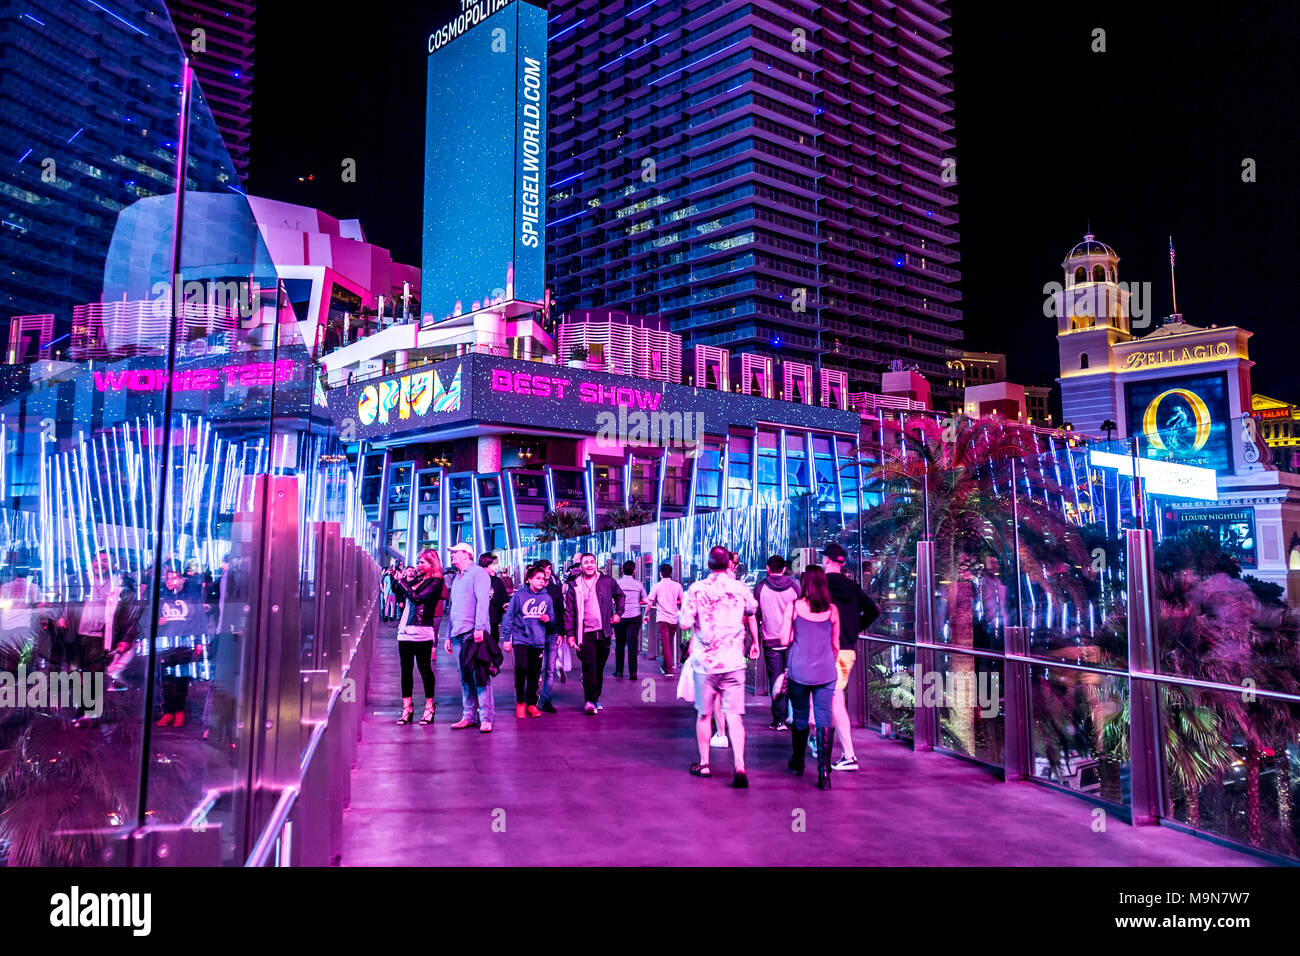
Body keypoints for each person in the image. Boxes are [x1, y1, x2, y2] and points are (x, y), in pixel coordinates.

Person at [679, 546, 759, 787]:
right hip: (734, 661)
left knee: (704, 715)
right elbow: (753, 609)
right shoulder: (740, 588)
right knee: (735, 715)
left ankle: (704, 764)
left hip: (706, 662)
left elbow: (684, 623)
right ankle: (740, 765)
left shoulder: (697, 589)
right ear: (729, 565)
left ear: (708, 564)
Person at [820, 542, 880, 772]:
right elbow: (873, 611)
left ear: (826, 560)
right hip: (847, 649)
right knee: (832, 697)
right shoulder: (853, 588)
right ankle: (823, 743)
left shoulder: (821, 586)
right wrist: (854, 628)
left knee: (832, 699)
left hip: (826, 649)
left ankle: (849, 754)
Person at [779, 565, 840, 789]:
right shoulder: (832, 610)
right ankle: (824, 773)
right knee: (824, 717)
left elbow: (784, 639)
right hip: (825, 671)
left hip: (799, 670)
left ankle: (798, 760)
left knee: (801, 715)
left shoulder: (794, 607)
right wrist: (827, 663)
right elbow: (835, 645)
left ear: (804, 584)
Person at [442, 542, 498, 732]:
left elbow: (483, 601)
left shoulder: (478, 573)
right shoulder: (457, 578)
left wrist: (480, 628)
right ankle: (469, 716)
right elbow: (453, 609)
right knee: (465, 677)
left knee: (480, 675)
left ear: (466, 555)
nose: (452, 555)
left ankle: (486, 718)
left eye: (455, 553)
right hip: (458, 634)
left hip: (472, 633)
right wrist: (448, 635)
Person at [562, 552, 624, 715]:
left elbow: (620, 596)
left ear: (595, 564)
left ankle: (595, 697)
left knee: (599, 667)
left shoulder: (607, 581)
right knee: (589, 666)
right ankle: (589, 700)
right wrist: (570, 634)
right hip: (585, 634)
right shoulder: (574, 585)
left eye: (592, 562)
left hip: (603, 632)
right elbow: (569, 612)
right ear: (580, 566)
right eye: (586, 563)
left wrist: (618, 613)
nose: (589, 565)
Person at [389, 548, 444, 725]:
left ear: (431, 563)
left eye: (422, 562)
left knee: (425, 669)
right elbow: (403, 594)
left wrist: (403, 581)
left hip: (421, 630)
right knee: (406, 671)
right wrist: (399, 580)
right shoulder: (420, 579)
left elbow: (417, 598)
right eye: (419, 562)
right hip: (405, 630)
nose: (419, 565)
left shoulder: (436, 582)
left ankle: (429, 706)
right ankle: (407, 708)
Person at [754, 554, 800, 731]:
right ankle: (792, 716)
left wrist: (755, 640)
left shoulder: (760, 589)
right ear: (783, 570)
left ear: (767, 569)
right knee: (793, 679)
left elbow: (755, 616)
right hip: (791, 640)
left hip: (770, 640)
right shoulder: (794, 588)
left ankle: (779, 720)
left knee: (776, 679)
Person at [501, 563, 553, 718]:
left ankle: (531, 703)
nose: (541, 581)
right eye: (537, 578)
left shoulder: (547, 597)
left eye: (543, 579)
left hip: (538, 640)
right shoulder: (519, 596)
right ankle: (520, 702)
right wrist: (507, 638)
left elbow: (553, 617)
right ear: (529, 579)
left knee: (534, 673)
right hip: (521, 640)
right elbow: (508, 617)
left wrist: (548, 618)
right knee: (521, 669)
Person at [536, 559, 565, 712]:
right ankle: (531, 698)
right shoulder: (531, 588)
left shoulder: (555, 589)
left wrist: (562, 633)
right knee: (533, 668)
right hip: (533, 635)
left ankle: (546, 700)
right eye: (544, 568)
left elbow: (561, 612)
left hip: (552, 634)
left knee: (550, 669)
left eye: (549, 568)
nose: (547, 571)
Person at [645, 563, 682, 678]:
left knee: (665, 644)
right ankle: (666, 666)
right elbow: (682, 601)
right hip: (674, 618)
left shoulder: (657, 586)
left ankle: (669, 670)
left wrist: (646, 615)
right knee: (669, 643)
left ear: (660, 574)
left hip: (662, 618)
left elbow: (650, 602)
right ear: (671, 573)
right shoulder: (677, 586)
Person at [612, 560, 647, 679]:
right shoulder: (639, 584)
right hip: (634, 616)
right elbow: (645, 600)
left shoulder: (617, 583)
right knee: (632, 645)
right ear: (634, 571)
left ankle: (619, 671)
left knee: (620, 644)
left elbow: (612, 599)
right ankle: (633, 673)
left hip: (620, 616)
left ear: (622, 570)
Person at [481, 552, 509, 643]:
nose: (496, 568)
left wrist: (506, 606)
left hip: (493, 623)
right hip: (478, 625)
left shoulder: (498, 582)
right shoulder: (476, 580)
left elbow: (504, 601)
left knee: (493, 652)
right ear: (485, 565)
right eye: (493, 565)